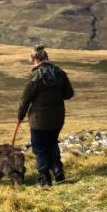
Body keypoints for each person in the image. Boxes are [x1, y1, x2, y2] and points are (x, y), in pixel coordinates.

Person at [17, 45, 74, 187]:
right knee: (52, 143)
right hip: (57, 118)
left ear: (35, 59)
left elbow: (25, 100)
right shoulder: (60, 73)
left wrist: (20, 116)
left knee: (40, 148)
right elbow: (69, 94)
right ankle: (58, 170)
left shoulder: (35, 77)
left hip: (39, 120)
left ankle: (44, 179)